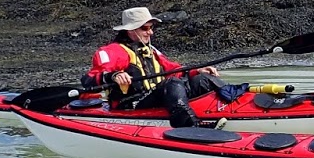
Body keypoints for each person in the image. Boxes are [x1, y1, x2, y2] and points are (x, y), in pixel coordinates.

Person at [83, 7, 220, 127]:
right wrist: (114, 75)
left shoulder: (151, 50)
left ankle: (233, 102)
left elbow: (173, 70)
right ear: (130, 30)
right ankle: (190, 125)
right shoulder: (111, 51)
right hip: (131, 104)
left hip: (154, 97)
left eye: (151, 28)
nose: (150, 32)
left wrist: (197, 71)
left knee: (202, 79)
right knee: (171, 84)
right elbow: (88, 79)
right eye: (145, 28)